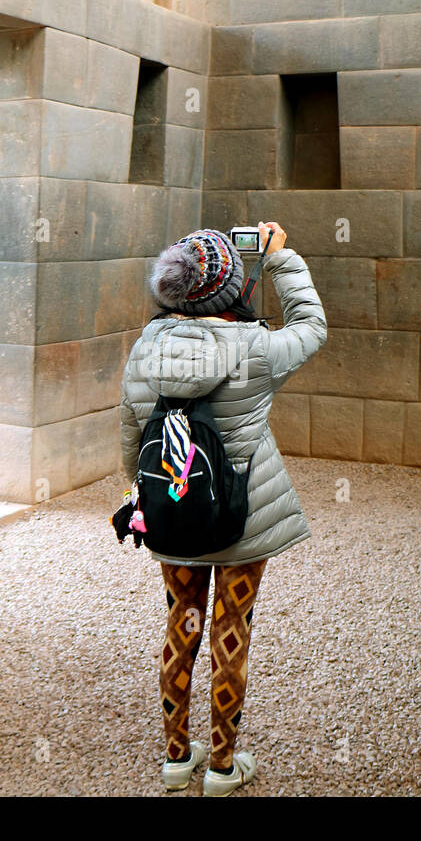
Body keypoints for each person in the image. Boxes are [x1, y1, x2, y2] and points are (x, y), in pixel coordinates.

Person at [119, 222, 327, 796]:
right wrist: (281, 259)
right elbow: (312, 327)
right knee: (230, 630)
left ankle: (174, 759)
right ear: (233, 289)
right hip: (241, 520)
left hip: (174, 512)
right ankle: (221, 767)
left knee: (180, 622)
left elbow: (131, 441)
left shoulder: (146, 348)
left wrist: (148, 503)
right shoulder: (256, 348)